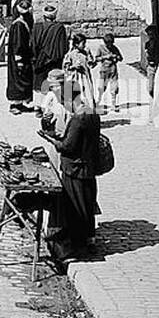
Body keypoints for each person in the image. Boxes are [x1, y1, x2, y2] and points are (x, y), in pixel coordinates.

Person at [39, 80, 101, 261]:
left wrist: (49, 139)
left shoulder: (78, 118)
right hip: (88, 167)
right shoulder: (92, 113)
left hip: (74, 169)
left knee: (75, 207)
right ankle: (89, 240)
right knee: (87, 205)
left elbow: (67, 146)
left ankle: (76, 247)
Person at [31, 4, 69, 91]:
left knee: (40, 87)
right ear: (55, 15)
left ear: (44, 16)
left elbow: (33, 43)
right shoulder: (59, 28)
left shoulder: (37, 27)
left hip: (39, 61)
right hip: (54, 62)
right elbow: (64, 47)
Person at [6, 9, 34, 105]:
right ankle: (15, 105)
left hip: (23, 56)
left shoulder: (21, 23)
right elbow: (18, 43)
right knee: (18, 80)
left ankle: (20, 103)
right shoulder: (19, 25)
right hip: (19, 58)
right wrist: (19, 60)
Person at [63, 33, 97, 110]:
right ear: (76, 44)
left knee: (88, 94)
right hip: (76, 78)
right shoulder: (71, 54)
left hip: (85, 77)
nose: (84, 45)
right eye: (83, 43)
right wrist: (73, 66)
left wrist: (93, 61)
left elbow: (91, 64)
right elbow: (66, 67)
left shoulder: (85, 53)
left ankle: (90, 112)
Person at [92, 32, 123, 113]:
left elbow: (121, 58)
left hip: (113, 69)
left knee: (114, 87)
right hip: (104, 70)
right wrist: (105, 57)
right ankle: (98, 102)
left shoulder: (114, 48)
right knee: (102, 87)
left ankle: (113, 104)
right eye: (108, 44)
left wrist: (116, 57)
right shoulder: (100, 48)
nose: (109, 46)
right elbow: (97, 58)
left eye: (111, 44)